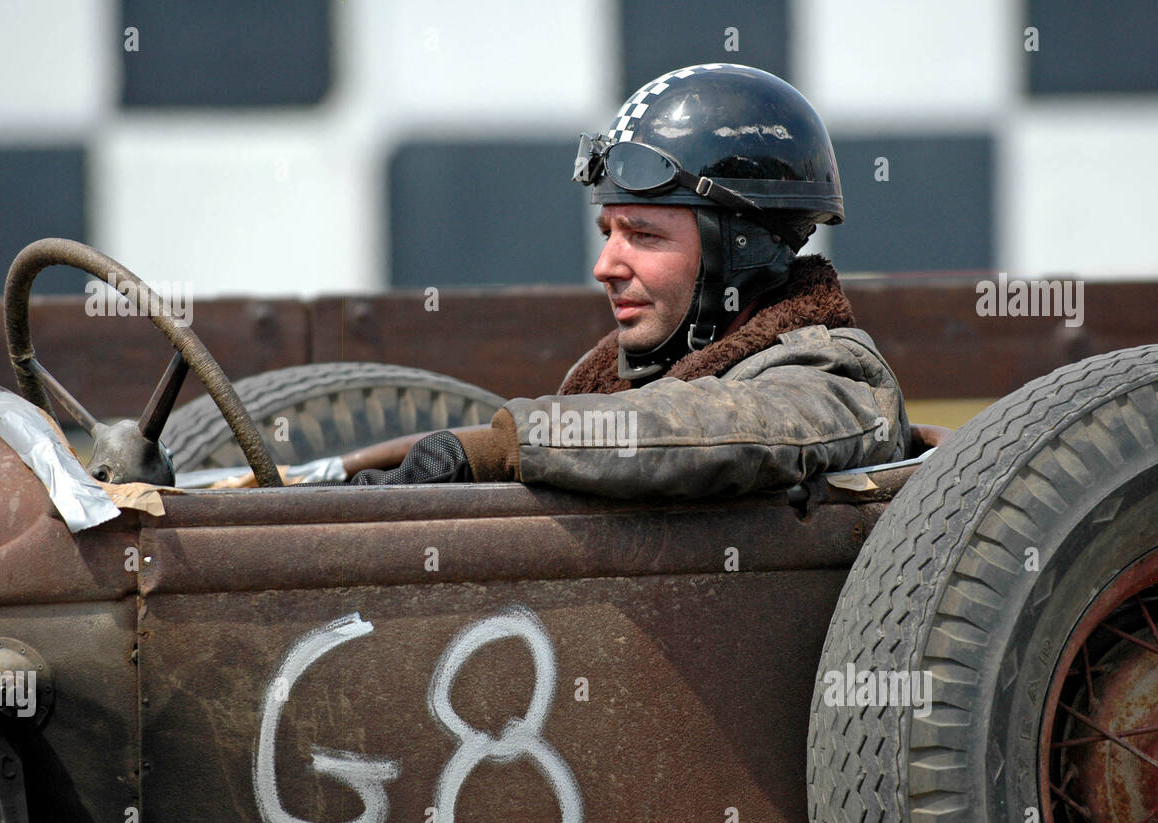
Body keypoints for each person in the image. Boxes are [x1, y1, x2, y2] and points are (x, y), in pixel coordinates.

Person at [349, 63, 909, 498]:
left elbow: (712, 433)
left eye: (643, 236)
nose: (605, 267)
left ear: (738, 249)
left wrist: (492, 450)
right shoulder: (613, 380)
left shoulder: (834, 379)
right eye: (608, 233)